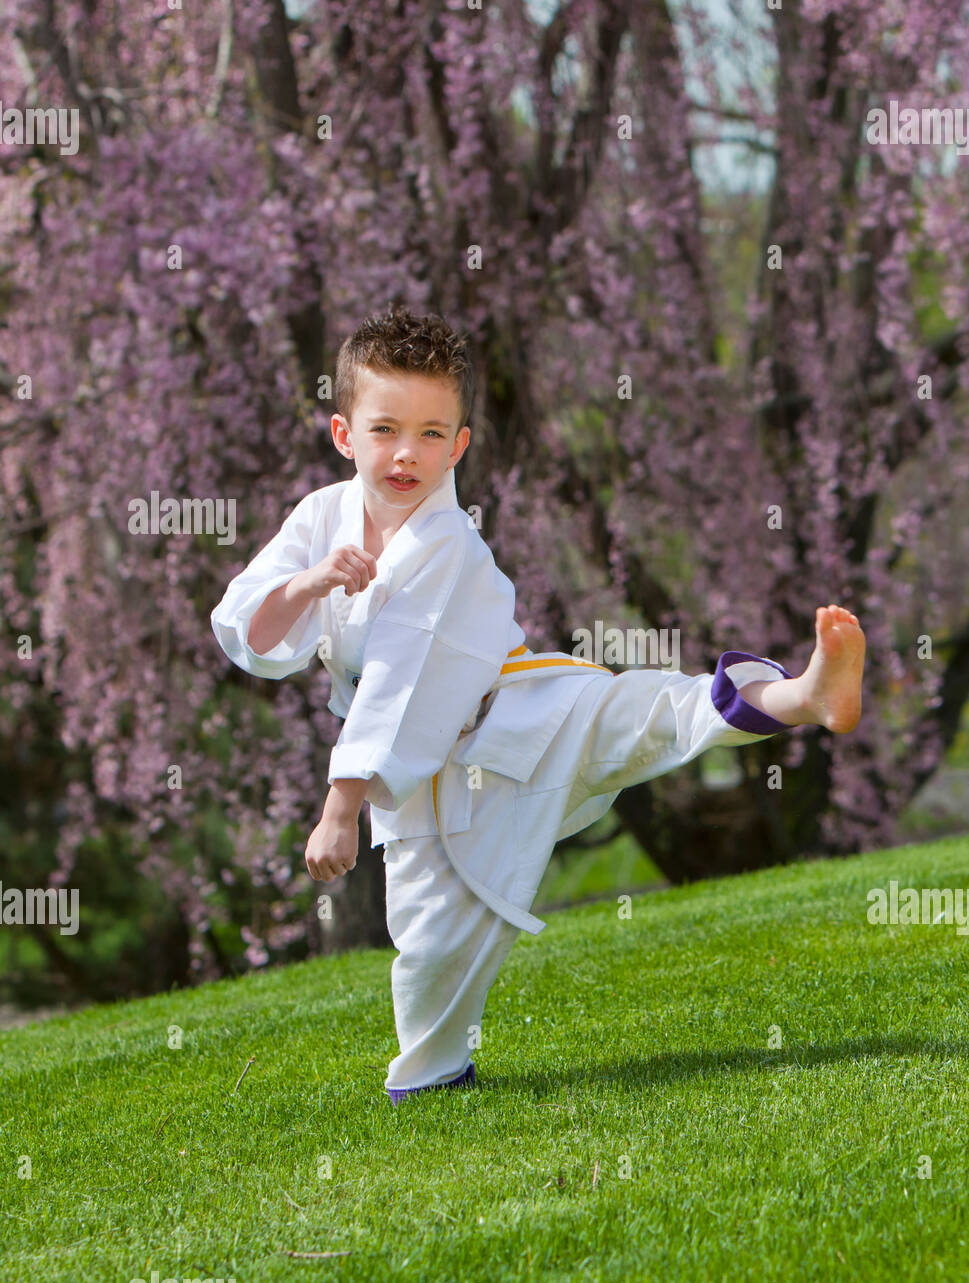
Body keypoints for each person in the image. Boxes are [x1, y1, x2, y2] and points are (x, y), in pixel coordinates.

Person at [212, 305, 866, 1103]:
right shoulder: (319, 517)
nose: (406, 454)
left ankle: (802, 692)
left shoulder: (445, 542)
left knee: (649, 714)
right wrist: (310, 582)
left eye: (430, 433)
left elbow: (397, 681)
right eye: (385, 430)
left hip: (518, 710)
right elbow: (245, 623)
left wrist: (339, 807)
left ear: (457, 445)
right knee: (429, 949)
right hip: (431, 779)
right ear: (345, 435)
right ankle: (434, 1082)